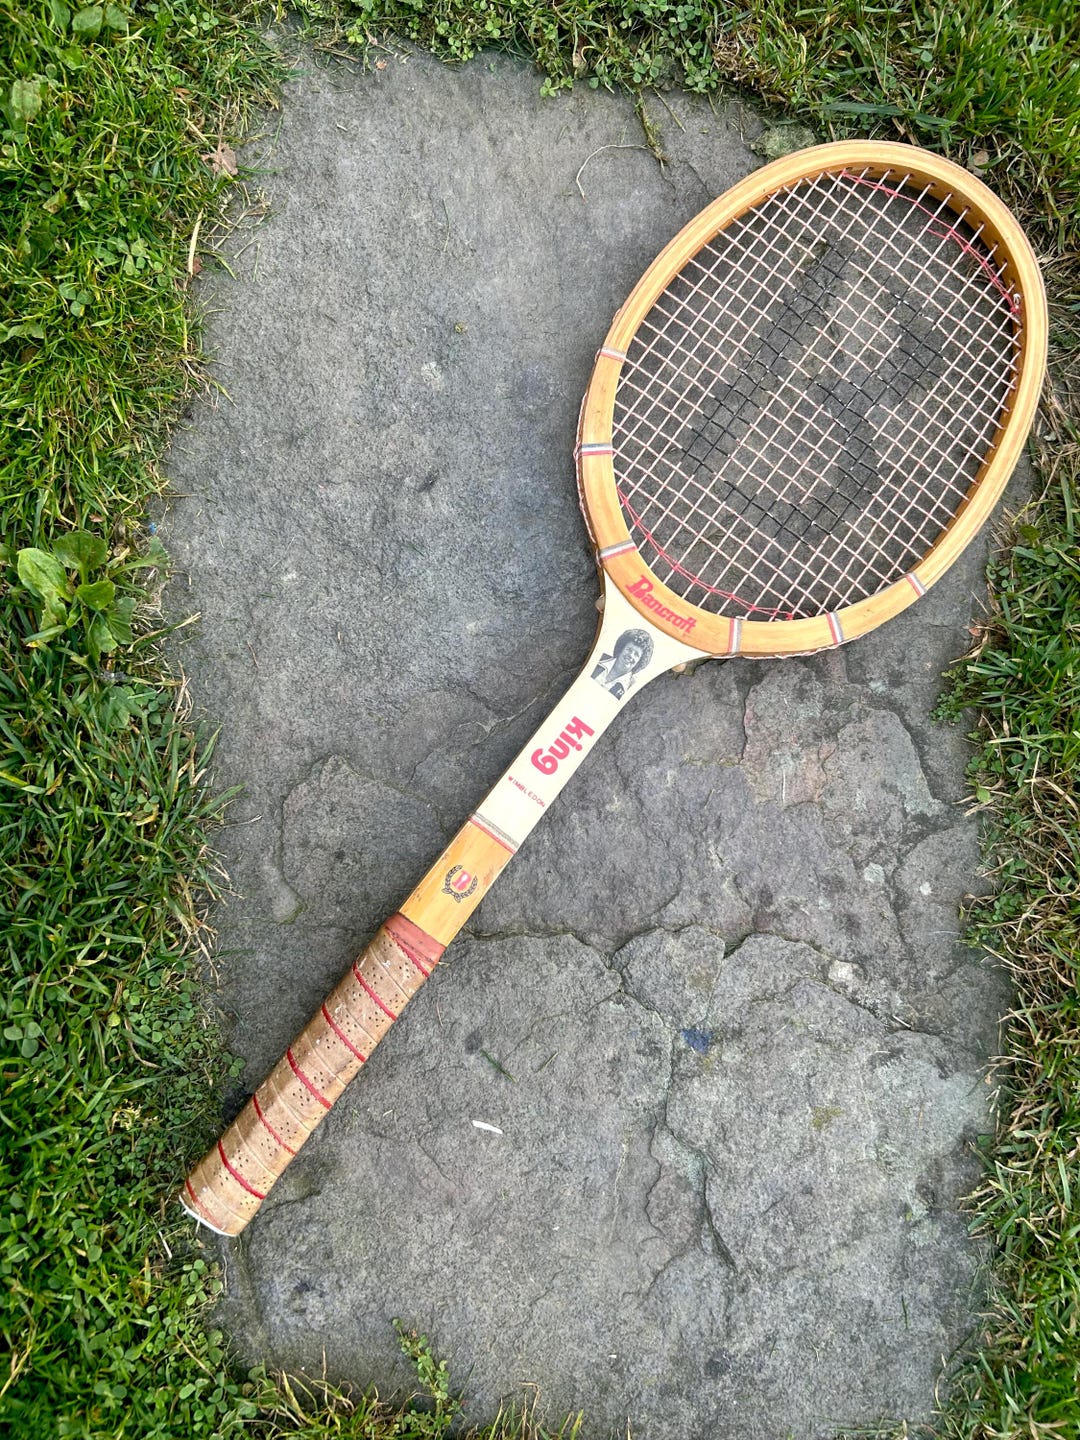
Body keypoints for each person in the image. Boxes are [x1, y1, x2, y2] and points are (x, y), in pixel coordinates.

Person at [591, 628, 653, 700]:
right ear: (621, 649)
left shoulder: (631, 687)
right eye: (629, 650)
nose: (631, 655)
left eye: (636, 654)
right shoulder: (599, 659)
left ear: (639, 661)